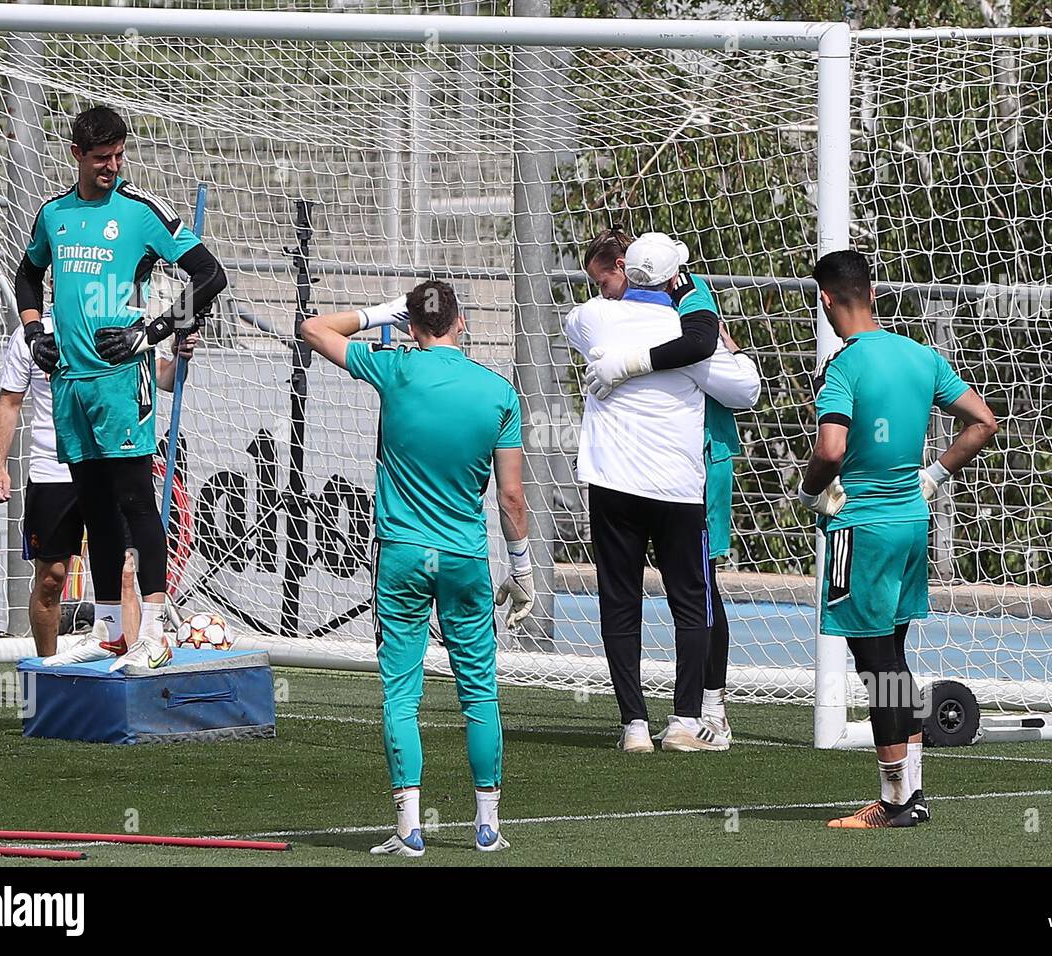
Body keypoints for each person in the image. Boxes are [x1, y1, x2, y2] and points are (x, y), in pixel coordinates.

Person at [302, 280, 531, 857]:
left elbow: (312, 327)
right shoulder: (499, 392)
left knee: (401, 692)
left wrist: (380, 313)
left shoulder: (396, 368)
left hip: (403, 554)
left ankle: (409, 828)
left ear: (410, 326)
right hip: (464, 557)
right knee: (479, 692)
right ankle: (487, 825)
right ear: (461, 322)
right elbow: (511, 499)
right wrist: (523, 571)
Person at [14, 105, 226, 670]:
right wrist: (36, 332)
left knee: (135, 501)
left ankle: (154, 633)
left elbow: (210, 275)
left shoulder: (140, 211)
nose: (112, 166)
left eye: (118, 155)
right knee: (96, 507)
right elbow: (27, 273)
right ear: (77, 154)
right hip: (70, 384)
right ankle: (110, 632)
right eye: (102, 157)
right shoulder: (53, 214)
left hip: (120, 382)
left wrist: (151, 332)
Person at [800, 250, 999, 828]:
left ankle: (893, 804)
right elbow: (983, 421)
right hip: (912, 523)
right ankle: (911, 794)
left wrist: (810, 493)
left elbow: (831, 449)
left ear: (828, 300)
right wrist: (932, 477)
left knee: (876, 665)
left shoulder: (844, 367)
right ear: (873, 293)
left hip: (860, 528)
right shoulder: (921, 357)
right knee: (894, 657)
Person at [565, 231, 761, 753]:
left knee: (619, 600)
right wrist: (725, 351)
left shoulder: (594, 320)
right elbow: (746, 388)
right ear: (677, 277)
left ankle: (633, 725)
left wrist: (624, 360)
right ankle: (686, 719)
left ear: (625, 271)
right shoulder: (688, 335)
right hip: (676, 488)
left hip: (611, 484)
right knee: (692, 603)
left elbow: (578, 323)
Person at [0, 308, 198, 658]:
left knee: (125, 575)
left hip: (111, 465)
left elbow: (162, 376)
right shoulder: (35, 335)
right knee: (51, 578)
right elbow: (10, 400)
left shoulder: (119, 323)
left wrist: (179, 357)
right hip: (52, 470)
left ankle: (132, 660)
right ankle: (48, 668)